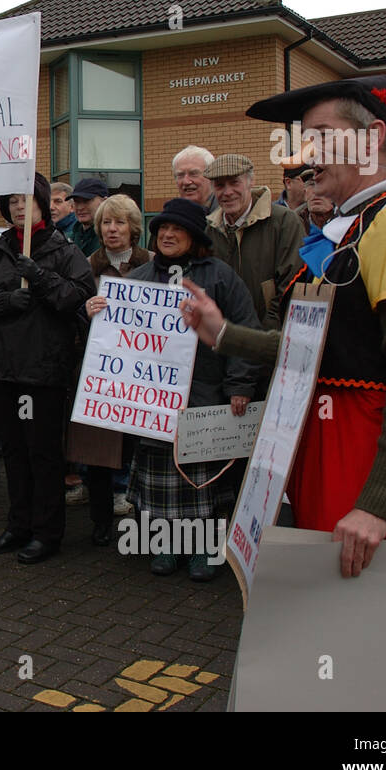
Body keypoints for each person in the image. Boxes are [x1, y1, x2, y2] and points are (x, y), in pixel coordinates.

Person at [182, 74, 386, 578]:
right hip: (330, 444)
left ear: (371, 138)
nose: (309, 153)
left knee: (357, 610)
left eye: (323, 135)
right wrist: (224, 333)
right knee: (327, 609)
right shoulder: (356, 225)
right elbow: (314, 348)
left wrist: (377, 503)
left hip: (362, 455)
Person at [110, 198, 259, 580]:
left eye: (177, 230)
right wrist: (98, 309)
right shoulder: (139, 279)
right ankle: (166, 545)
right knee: (164, 482)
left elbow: (246, 330)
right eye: (162, 229)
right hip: (155, 403)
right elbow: (115, 338)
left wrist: (240, 385)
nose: (168, 235)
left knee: (203, 482)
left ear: (194, 237)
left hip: (205, 397)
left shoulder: (219, 276)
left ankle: (206, 551)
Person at [0, 175, 95, 563]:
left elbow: (78, 297)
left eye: (26, 200)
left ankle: (47, 532)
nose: (19, 208)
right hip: (1, 368)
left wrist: (38, 277)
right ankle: (18, 524)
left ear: (41, 203)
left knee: (42, 452)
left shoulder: (63, 249)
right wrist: (8, 301)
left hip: (40, 370)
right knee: (14, 451)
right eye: (12, 202)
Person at [73, 194, 152, 535]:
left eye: (119, 222)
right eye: (106, 222)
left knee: (140, 447)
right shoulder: (86, 265)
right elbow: (71, 314)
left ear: (133, 228)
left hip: (142, 372)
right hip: (101, 373)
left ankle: (145, 520)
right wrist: (85, 312)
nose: (112, 229)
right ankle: (101, 523)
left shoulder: (152, 263)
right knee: (100, 448)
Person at [204, 153, 305, 330]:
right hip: (223, 339)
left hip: (267, 341)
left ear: (251, 181)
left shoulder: (284, 222)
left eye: (235, 182)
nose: (227, 192)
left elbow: (291, 286)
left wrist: (262, 337)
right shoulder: (210, 230)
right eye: (220, 185)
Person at [67, 177, 109, 256]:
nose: (80, 207)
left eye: (86, 201)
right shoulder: (69, 238)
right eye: (76, 201)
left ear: (104, 201)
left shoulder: (111, 238)